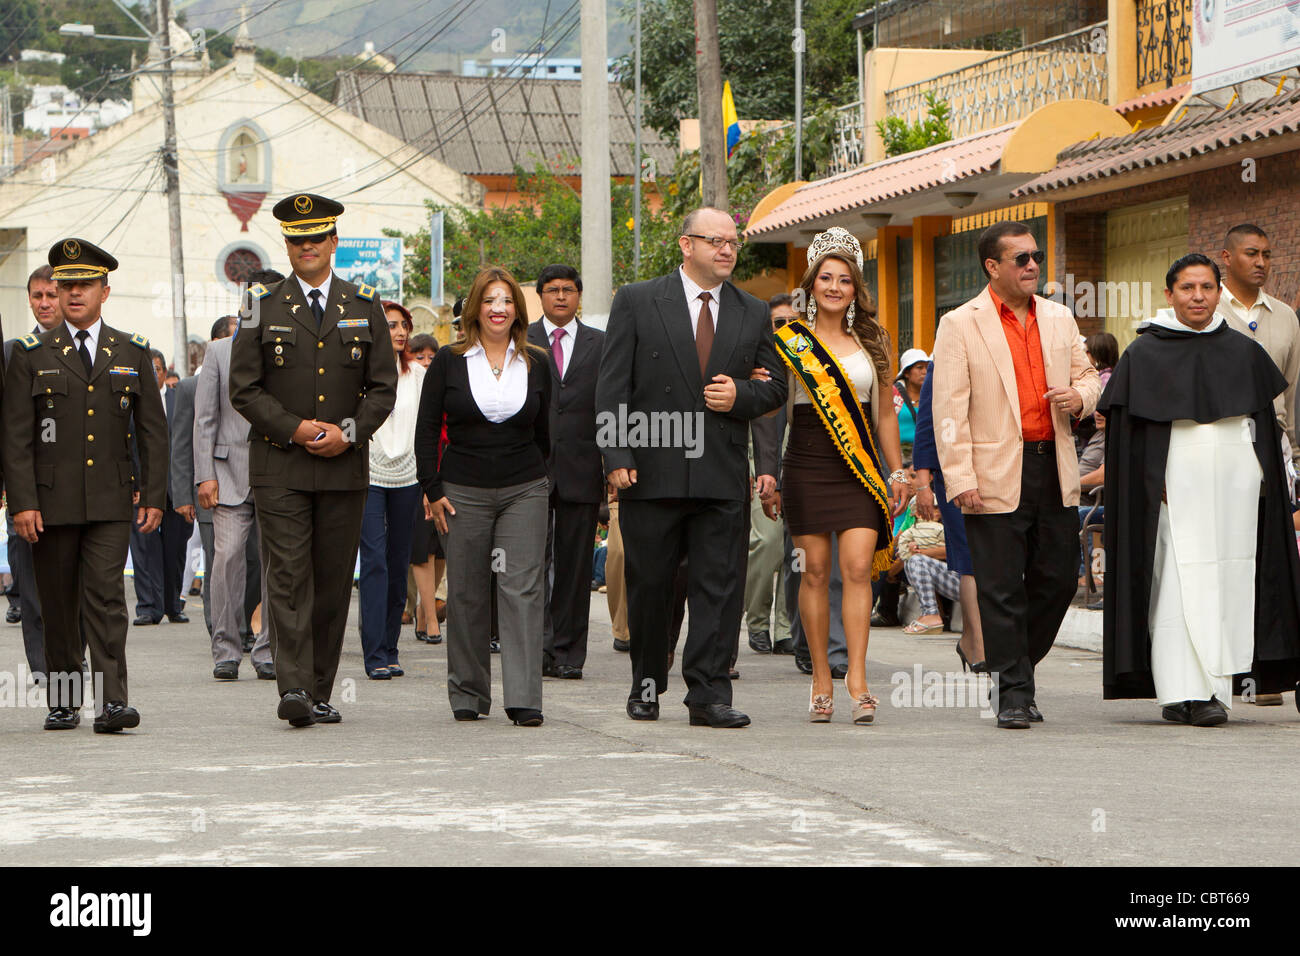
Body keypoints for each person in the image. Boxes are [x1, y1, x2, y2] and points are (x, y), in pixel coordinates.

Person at [597, 206, 787, 728]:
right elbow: (612, 385)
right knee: (651, 586)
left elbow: (776, 387)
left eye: (733, 242)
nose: (726, 250)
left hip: (719, 475)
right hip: (650, 473)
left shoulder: (751, 310)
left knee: (718, 588)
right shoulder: (637, 300)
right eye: (715, 241)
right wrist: (615, 457)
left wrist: (740, 394)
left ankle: (708, 695)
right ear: (686, 245)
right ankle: (647, 685)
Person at [1102, 253, 1300, 725]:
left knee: (1229, 583)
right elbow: (1130, 440)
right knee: (1176, 584)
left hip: (1234, 492)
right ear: (1169, 294)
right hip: (1173, 491)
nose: (1198, 297)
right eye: (1188, 288)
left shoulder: (1243, 351)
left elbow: (1263, 431)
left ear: (1218, 292)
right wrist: (1153, 485)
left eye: (1207, 288)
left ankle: (1215, 690)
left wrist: (1264, 483)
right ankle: (1181, 690)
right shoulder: (1143, 354)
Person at [229, 193, 397, 727]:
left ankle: (321, 689)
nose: (307, 248)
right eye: (297, 240)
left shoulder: (365, 303)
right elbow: (244, 388)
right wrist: (296, 428)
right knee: (288, 577)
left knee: (330, 581)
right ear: (287, 245)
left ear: (333, 243)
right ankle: (294, 687)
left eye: (316, 239)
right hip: (281, 465)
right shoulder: (261, 303)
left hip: (343, 466)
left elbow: (382, 388)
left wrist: (347, 432)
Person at [931, 220, 1101, 729]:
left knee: (1054, 578)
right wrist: (959, 477)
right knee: (1001, 585)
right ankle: (1014, 692)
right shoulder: (961, 323)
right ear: (992, 267)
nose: (1032, 266)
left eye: (1036, 257)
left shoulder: (1059, 317)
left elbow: (1089, 377)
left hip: (1054, 465)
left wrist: (1080, 398)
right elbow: (948, 409)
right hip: (991, 472)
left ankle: (1012, 663)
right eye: (1020, 259)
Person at [1, 238, 168, 732]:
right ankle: (64, 698)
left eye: (85, 285)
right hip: (50, 503)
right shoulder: (30, 353)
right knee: (56, 601)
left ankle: (113, 701)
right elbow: (15, 438)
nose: (74, 294)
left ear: (105, 291)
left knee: (107, 598)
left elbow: (154, 431)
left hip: (112, 499)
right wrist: (23, 502)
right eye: (66, 285)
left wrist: (154, 495)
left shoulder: (132, 351)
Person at [772, 227, 907, 724]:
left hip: (858, 468)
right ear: (810, 285)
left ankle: (857, 678)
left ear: (856, 289)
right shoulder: (790, 341)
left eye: (844, 280)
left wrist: (898, 472)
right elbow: (774, 411)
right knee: (814, 571)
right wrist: (767, 472)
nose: (834, 287)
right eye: (825, 278)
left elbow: (886, 415)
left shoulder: (873, 339)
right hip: (807, 464)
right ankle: (821, 678)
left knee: (856, 569)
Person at [416, 266, 551, 726]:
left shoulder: (536, 361)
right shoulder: (449, 361)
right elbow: (428, 428)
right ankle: (469, 694)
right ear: (476, 307)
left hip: (525, 488)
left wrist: (542, 480)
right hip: (461, 491)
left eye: (507, 300)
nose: (499, 308)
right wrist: (431, 488)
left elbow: (546, 433)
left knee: (522, 589)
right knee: (468, 592)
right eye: (490, 300)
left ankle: (524, 698)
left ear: (518, 310)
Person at [1217, 223, 1300, 708]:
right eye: (1251, 253)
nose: (1262, 262)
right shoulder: (1207, 311)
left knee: (1271, 560)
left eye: (1268, 254)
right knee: (1229, 557)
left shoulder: (1286, 317)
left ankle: (1266, 672)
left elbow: (1291, 390)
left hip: (1274, 449)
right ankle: (1228, 669)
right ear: (1227, 257)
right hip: (1222, 447)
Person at [195, 287, 278, 682]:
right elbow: (205, 419)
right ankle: (226, 648)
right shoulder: (218, 352)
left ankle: (267, 649)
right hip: (228, 472)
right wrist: (204, 474)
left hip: (279, 470)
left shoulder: (287, 349)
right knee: (227, 558)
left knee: (275, 563)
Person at [528, 264, 604, 680]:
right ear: (540, 295)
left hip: (582, 467)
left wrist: (614, 463)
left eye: (569, 290)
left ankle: (569, 653)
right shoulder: (523, 342)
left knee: (575, 567)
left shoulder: (601, 344)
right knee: (531, 564)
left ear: (579, 296)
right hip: (531, 468)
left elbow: (611, 405)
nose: (561, 296)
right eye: (553, 290)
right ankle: (536, 648)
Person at [3, 264, 64, 684]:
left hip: (76, 487)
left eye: (51, 295)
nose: (44, 303)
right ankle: (46, 671)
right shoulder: (12, 352)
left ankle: (71, 664)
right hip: (25, 488)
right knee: (33, 590)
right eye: (37, 295)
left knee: (78, 593)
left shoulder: (93, 349)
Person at [358, 300, 425, 680]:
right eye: (391, 325)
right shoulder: (359, 374)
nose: (399, 332)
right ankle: (373, 652)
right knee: (375, 561)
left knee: (399, 562)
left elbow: (428, 428)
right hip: (368, 474)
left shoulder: (418, 374)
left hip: (410, 476)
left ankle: (391, 647)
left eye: (404, 325)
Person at [742, 296, 794, 656]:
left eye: (794, 321)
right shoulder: (754, 365)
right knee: (769, 542)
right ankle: (757, 621)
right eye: (779, 322)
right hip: (758, 467)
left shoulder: (811, 368)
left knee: (797, 551)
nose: (786, 328)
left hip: (801, 466)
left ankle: (786, 627)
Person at [404, 331, 445, 644]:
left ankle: (424, 609)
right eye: (420, 357)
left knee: (442, 546)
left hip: (450, 469)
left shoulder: (445, 381)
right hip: (416, 471)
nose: (427, 363)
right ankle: (430, 617)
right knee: (422, 547)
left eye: (432, 357)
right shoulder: (406, 385)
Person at [893, 347, 927, 466]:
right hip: (897, 459)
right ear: (907, 373)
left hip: (924, 459)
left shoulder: (933, 397)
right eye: (919, 367)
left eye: (927, 367)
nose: (924, 371)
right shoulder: (893, 396)